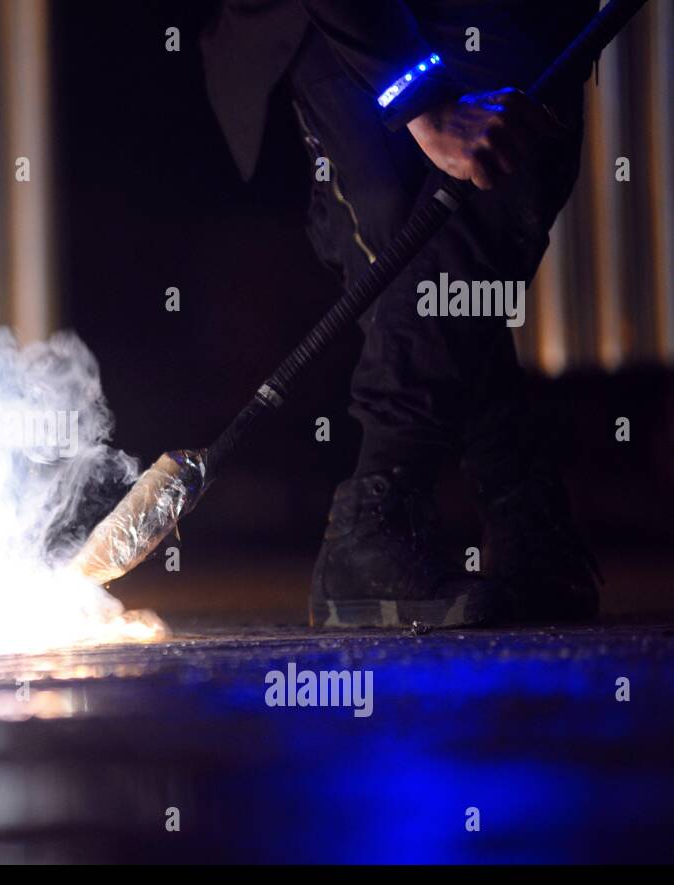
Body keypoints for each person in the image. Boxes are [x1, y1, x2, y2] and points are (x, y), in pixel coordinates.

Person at [200, 0, 601, 627]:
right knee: (400, 236)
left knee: (494, 187)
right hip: (348, 22)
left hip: (521, 22)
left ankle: (518, 513)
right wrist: (422, 103)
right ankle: (379, 524)